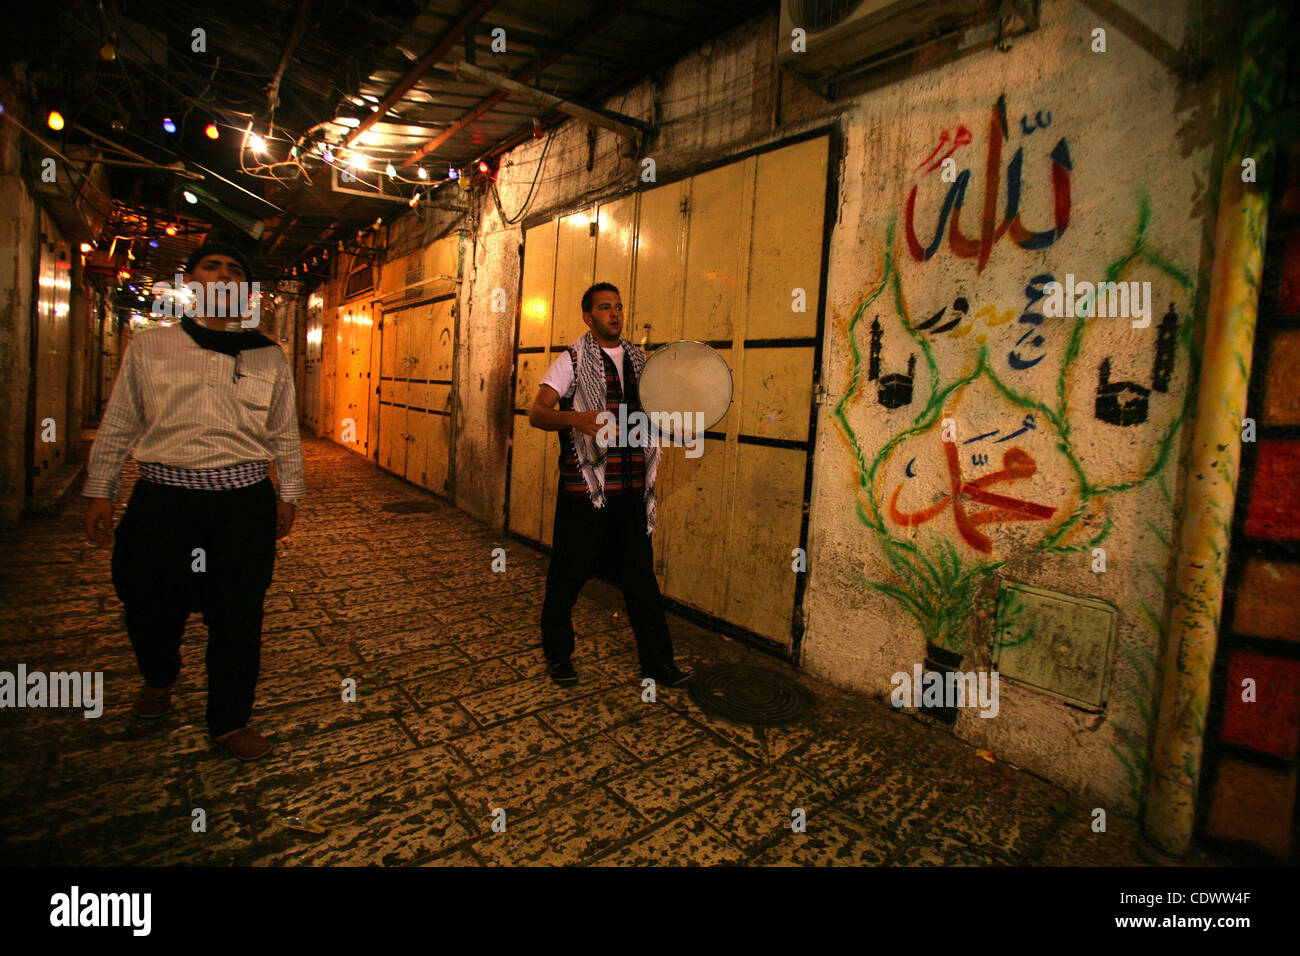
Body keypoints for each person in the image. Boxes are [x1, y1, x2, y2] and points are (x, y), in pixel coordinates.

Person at [83, 242, 304, 761]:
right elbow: (121, 421)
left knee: (239, 613)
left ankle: (229, 720)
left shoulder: (267, 355)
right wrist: (101, 488)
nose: (224, 273)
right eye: (212, 266)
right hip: (162, 500)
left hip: (242, 505)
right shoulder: (152, 348)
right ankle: (159, 677)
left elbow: (283, 431)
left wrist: (289, 492)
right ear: (191, 283)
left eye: (235, 269)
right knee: (145, 600)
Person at [528, 282, 690, 689]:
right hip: (587, 494)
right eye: (604, 308)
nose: (614, 314)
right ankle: (559, 655)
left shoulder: (641, 360)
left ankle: (658, 665)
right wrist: (576, 420)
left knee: (642, 585)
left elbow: (655, 414)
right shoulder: (571, 360)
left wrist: (682, 426)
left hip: (632, 493)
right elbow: (537, 413)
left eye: (618, 307)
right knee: (567, 578)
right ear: (588, 317)